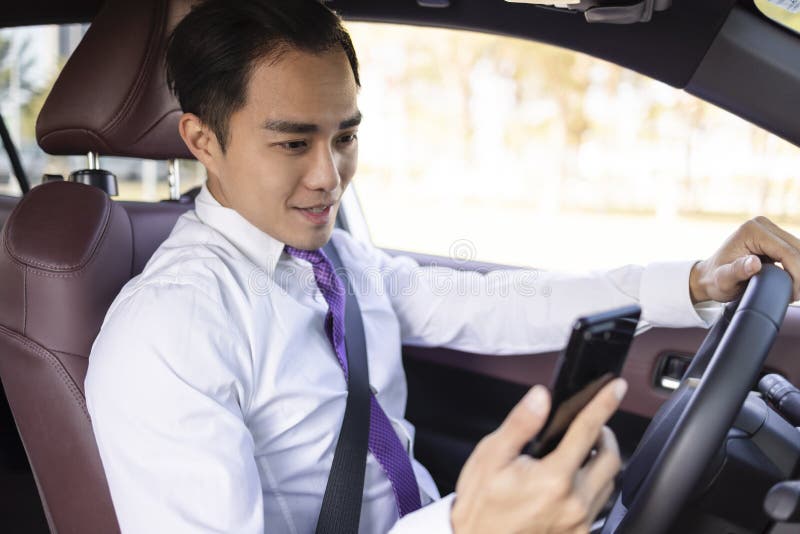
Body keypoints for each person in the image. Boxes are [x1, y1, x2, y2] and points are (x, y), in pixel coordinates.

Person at [84, 0, 800, 532]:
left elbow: (497, 303)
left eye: (345, 137)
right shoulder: (167, 331)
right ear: (202, 140)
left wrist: (695, 281)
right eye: (293, 143)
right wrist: (467, 526)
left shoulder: (338, 261)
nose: (330, 178)